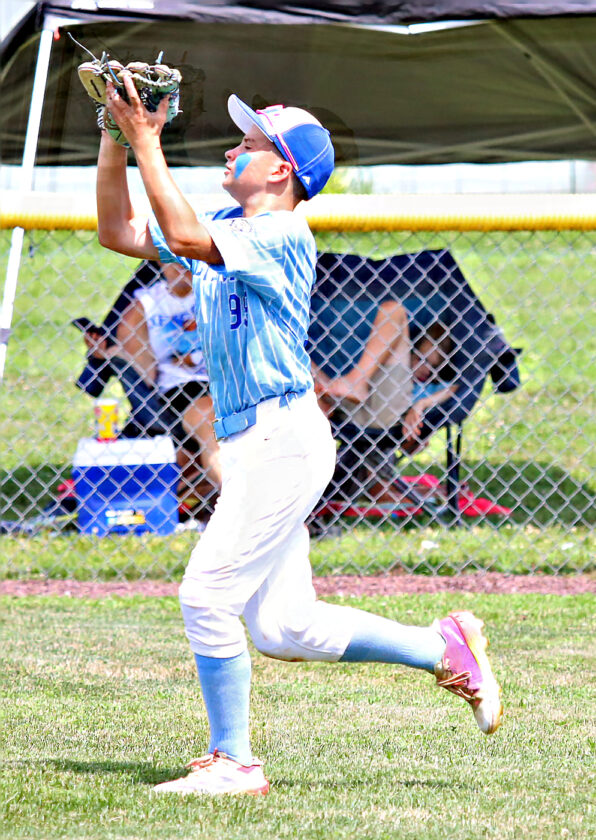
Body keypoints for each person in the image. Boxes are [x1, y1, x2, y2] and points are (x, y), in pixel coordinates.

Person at [95, 72, 503, 796]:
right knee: (287, 628)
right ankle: (440, 646)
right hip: (259, 441)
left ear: (282, 168)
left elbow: (182, 232)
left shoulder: (279, 232)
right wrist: (111, 137)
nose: (231, 151)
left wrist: (147, 139)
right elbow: (118, 233)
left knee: (205, 595)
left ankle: (235, 763)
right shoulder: (230, 230)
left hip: (281, 439)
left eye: (248, 144)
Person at [82, 262, 221, 504]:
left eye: (186, 257)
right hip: (183, 388)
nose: (180, 265)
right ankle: (242, 506)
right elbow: (141, 367)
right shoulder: (146, 303)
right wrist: (105, 353)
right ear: (159, 262)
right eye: (172, 258)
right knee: (209, 419)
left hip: (230, 379)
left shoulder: (220, 291)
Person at [314, 301, 457, 447]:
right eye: (421, 359)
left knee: (394, 310)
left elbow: (454, 389)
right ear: (411, 352)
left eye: (433, 368)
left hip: (387, 413)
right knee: (301, 356)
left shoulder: (424, 389)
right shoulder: (390, 367)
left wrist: (421, 404)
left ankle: (356, 382)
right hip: (348, 409)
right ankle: (327, 396)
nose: (425, 369)